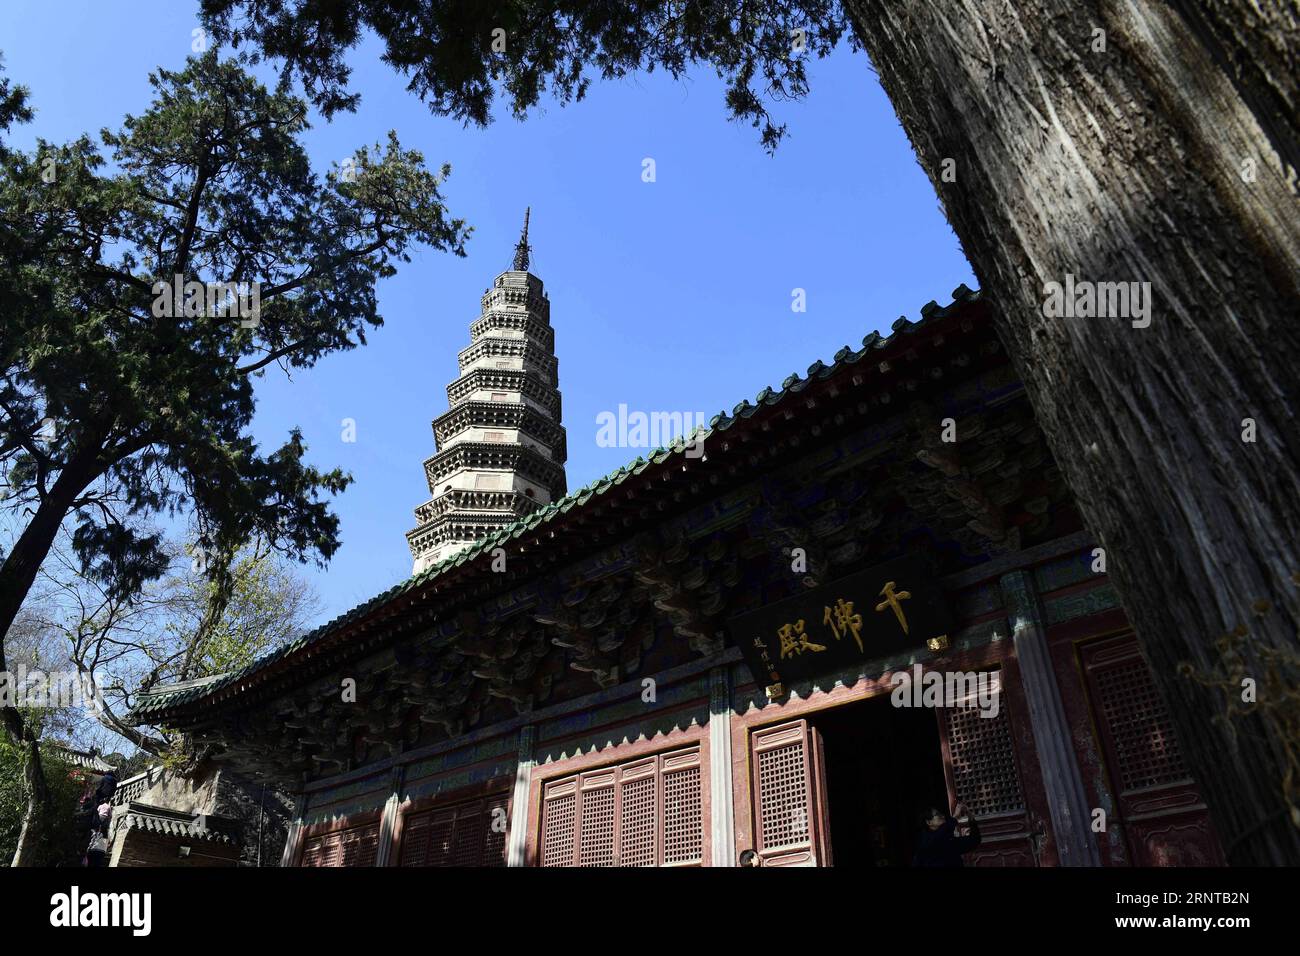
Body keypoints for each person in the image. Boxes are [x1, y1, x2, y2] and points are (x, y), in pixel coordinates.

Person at [911, 801, 981, 867]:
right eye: (937, 814)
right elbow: (938, 837)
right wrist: (955, 817)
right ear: (929, 822)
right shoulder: (925, 841)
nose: (943, 816)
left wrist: (970, 818)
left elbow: (974, 840)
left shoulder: (947, 839)